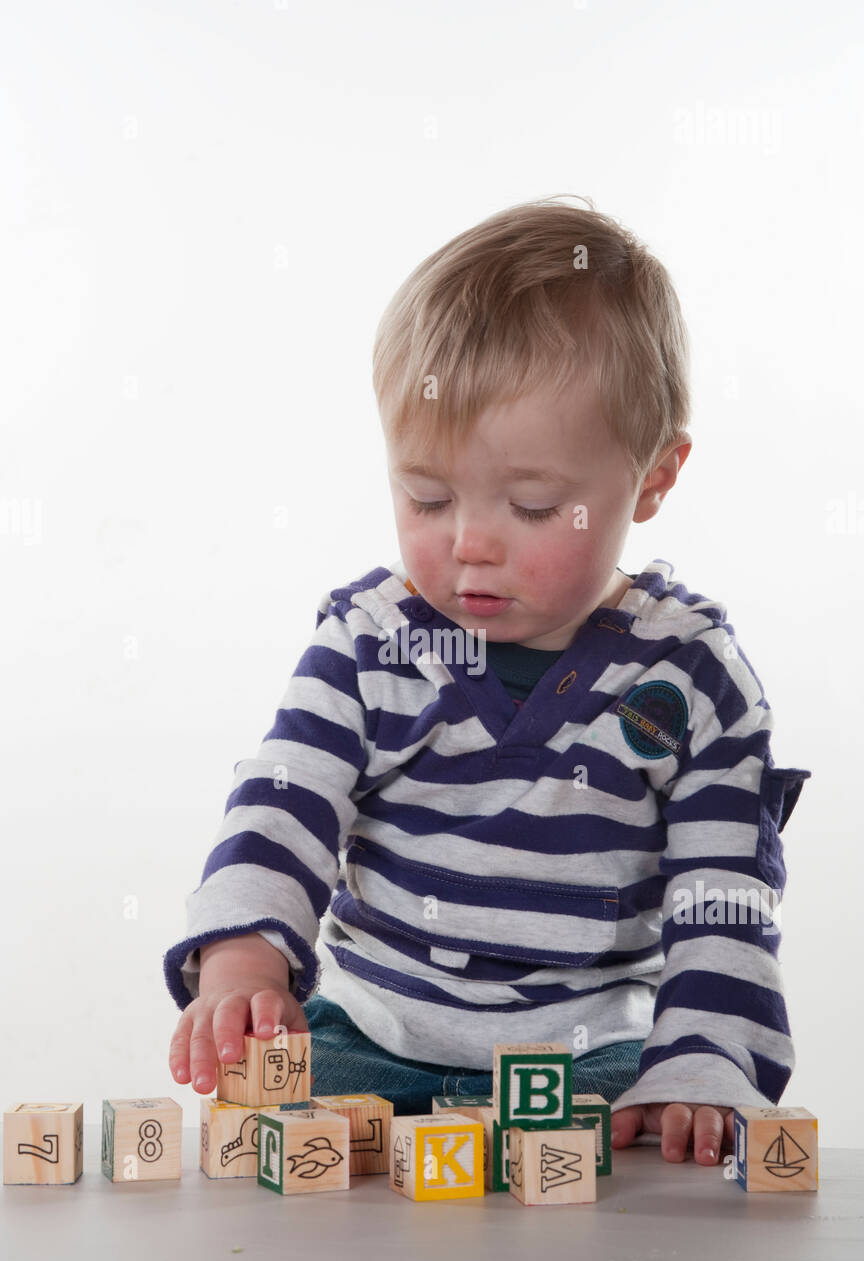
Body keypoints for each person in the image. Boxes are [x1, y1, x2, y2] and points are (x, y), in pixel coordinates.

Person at [164, 196, 811, 1166]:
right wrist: (245, 952)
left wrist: (707, 1057)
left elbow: (722, 893)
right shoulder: (370, 643)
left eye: (534, 504)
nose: (468, 542)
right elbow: (281, 803)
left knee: (646, 1198)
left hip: (598, 1063)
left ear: (652, 480)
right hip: (372, 1043)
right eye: (426, 495)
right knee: (271, 1164)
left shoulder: (696, 680)